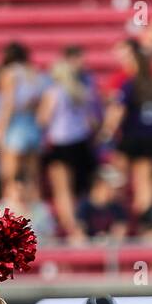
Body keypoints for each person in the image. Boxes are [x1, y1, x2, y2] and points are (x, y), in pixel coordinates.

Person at [104, 41, 152, 220]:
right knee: (144, 183)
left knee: (117, 178)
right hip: (150, 138)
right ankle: (144, 219)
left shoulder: (130, 85)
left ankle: (120, 218)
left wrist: (107, 132)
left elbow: (119, 111)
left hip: (131, 137)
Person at [38, 46, 101, 239]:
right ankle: (83, 226)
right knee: (81, 189)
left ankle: (74, 230)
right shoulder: (83, 91)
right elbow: (93, 121)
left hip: (61, 144)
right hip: (81, 142)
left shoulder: (55, 92)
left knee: (62, 191)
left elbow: (43, 119)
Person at [0, 42, 47, 200]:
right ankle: (34, 210)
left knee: (10, 175)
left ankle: (11, 211)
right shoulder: (34, 73)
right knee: (32, 176)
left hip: (16, 124)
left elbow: (8, 104)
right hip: (32, 124)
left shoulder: (9, 73)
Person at [75, 166, 129, 242]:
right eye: (112, 187)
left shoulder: (118, 208)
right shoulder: (83, 207)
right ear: (99, 185)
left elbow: (120, 232)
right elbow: (79, 233)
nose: (115, 191)